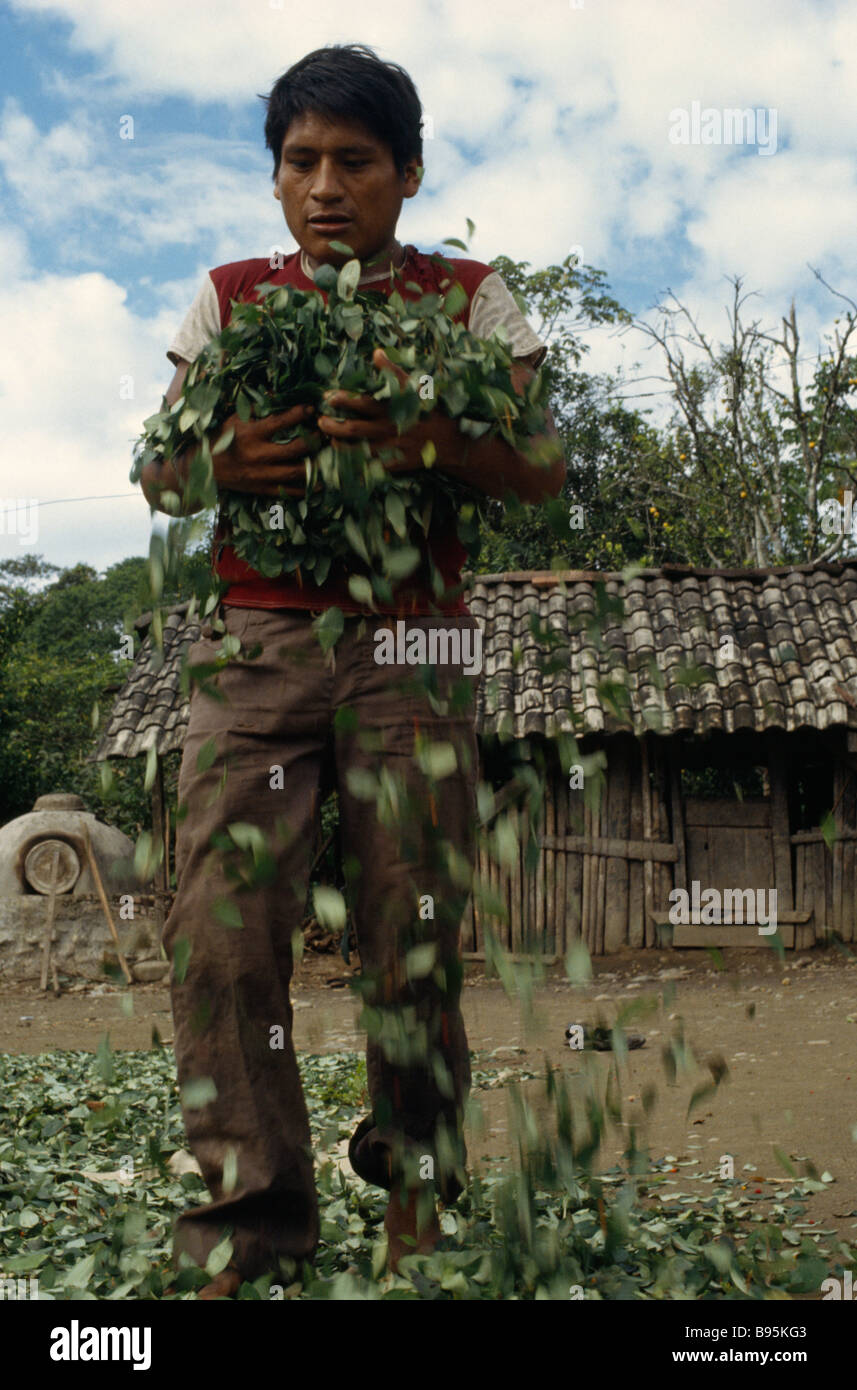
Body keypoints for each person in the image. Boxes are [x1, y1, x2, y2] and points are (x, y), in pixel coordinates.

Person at [139, 41, 565, 1297]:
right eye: (300, 161)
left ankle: (417, 1192)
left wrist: (426, 438)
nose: (325, 184)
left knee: (412, 931)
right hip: (257, 641)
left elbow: (538, 464)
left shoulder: (471, 298)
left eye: (354, 161)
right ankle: (252, 1218)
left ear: (408, 173)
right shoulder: (228, 297)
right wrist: (213, 470)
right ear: (275, 179)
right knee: (221, 933)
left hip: (414, 641)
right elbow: (156, 468)